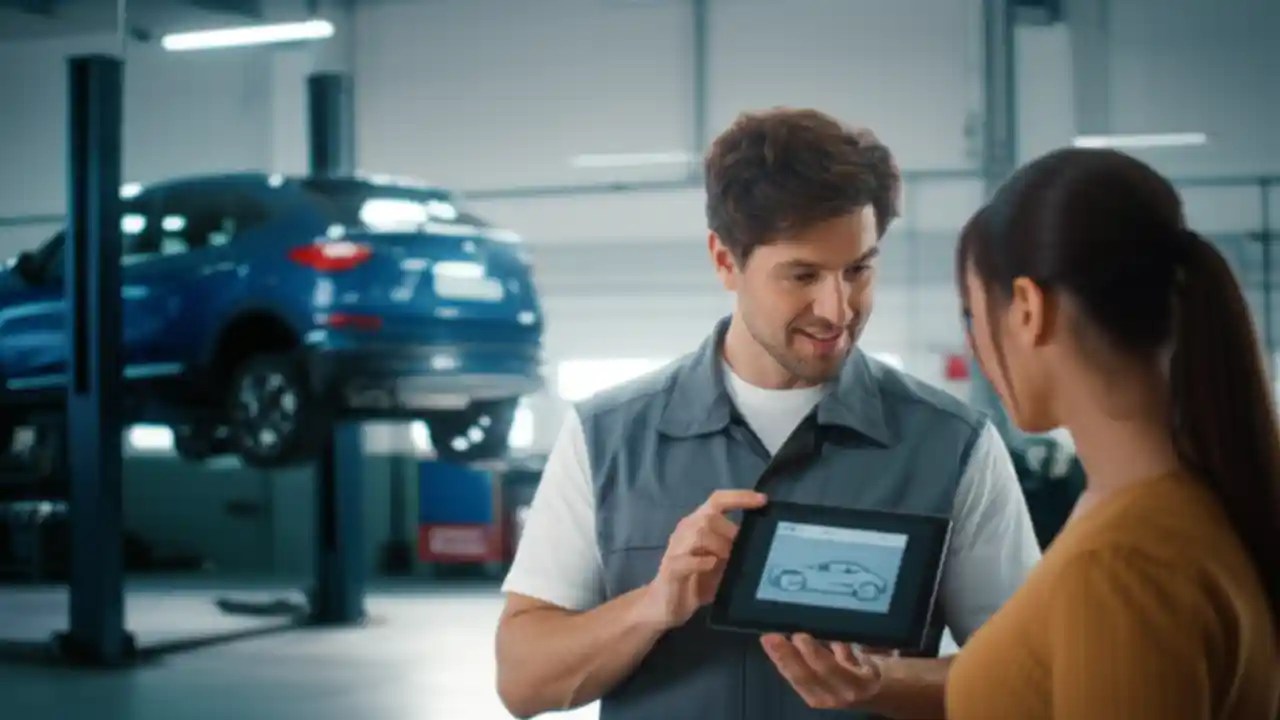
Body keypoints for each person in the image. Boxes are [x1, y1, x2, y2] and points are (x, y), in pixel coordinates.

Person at [494, 107, 1042, 720]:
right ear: (725, 261)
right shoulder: (606, 438)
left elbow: (1031, 682)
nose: (837, 310)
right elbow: (522, 682)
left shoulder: (953, 445)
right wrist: (652, 606)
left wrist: (881, 683)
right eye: (802, 275)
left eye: (859, 270)